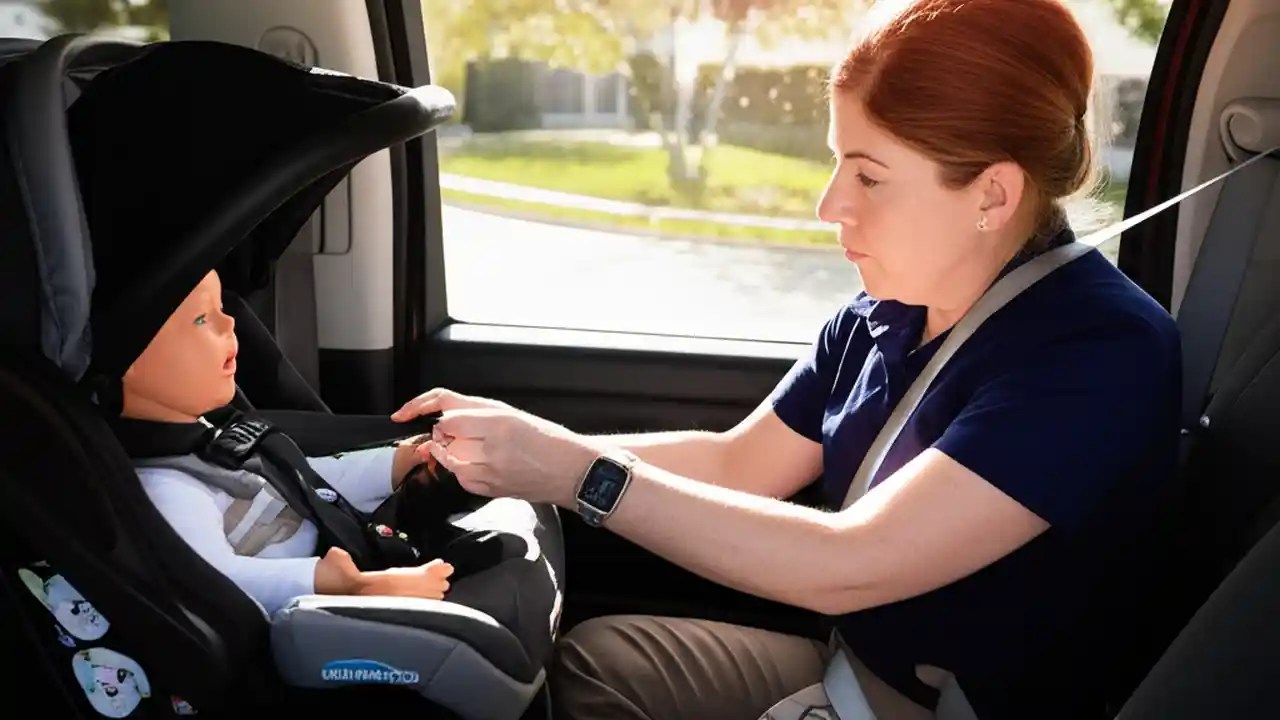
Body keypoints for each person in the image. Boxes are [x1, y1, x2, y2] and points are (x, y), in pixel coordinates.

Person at [389, 1, 1183, 718]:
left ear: (993, 196)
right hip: (854, 671)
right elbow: (739, 464)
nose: (829, 203)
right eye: (837, 161)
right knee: (594, 666)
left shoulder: (1098, 356)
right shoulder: (887, 314)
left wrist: (575, 475)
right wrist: (521, 447)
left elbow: (852, 563)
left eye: (869, 175)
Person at [109, 268, 455, 616]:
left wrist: (398, 462)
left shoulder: (207, 440)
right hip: (311, 619)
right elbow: (215, 578)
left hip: (342, 558)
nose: (229, 322)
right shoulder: (164, 485)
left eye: (220, 309)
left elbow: (302, 482)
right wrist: (345, 584)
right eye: (202, 318)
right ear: (129, 362)